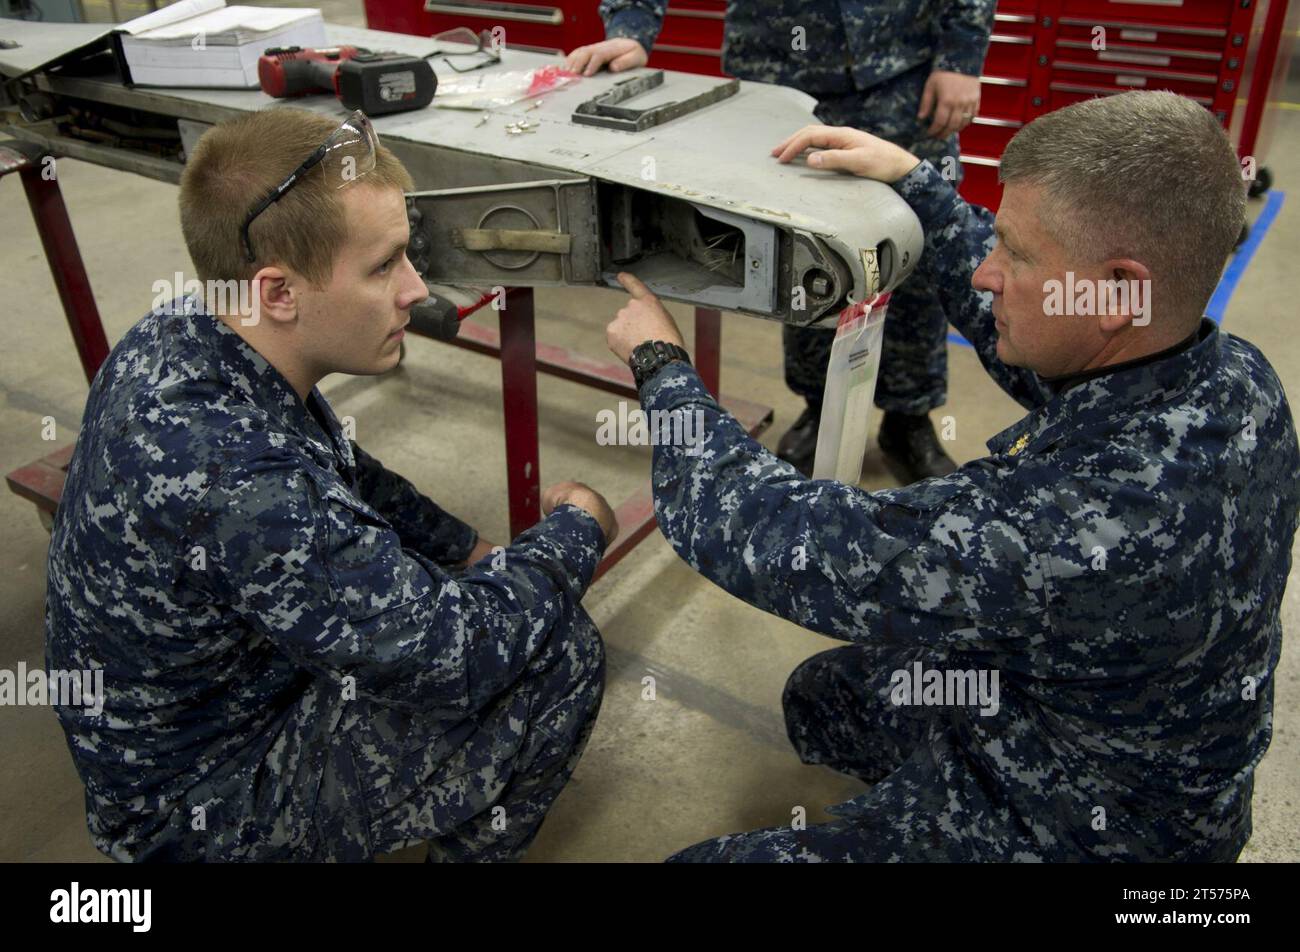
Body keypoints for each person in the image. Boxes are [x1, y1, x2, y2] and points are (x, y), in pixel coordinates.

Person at [603, 90, 1298, 861]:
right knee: (829, 696)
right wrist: (916, 183)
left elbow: (758, 533)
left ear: (1117, 288)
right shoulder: (1232, 378)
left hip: (1086, 831)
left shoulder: (1067, 529)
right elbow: (1048, 342)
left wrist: (661, 367)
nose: (987, 275)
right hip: (1122, 735)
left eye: (1015, 254)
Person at [44, 107, 617, 862]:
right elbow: (457, 653)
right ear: (278, 291)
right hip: (193, 814)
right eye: (384, 266)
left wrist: (472, 548)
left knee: (487, 591)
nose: (417, 289)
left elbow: (345, 469)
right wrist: (579, 525)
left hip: (197, 724)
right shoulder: (239, 480)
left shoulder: (193, 327)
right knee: (554, 650)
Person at [570, 0, 995, 480]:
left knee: (917, 248)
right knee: (801, 258)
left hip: (901, 74)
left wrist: (961, 55)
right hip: (780, 78)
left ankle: (909, 418)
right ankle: (819, 408)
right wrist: (631, 26)